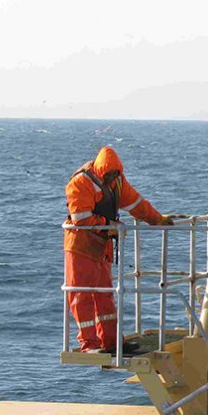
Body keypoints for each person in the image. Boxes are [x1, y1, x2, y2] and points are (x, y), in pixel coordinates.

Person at [64, 146, 172, 352]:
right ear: (101, 170)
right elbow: (81, 219)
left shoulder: (118, 183)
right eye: (110, 174)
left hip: (102, 247)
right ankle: (89, 343)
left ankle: (112, 342)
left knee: (105, 294)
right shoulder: (80, 183)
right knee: (81, 295)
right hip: (81, 247)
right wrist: (110, 225)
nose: (112, 178)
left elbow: (136, 204)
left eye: (116, 174)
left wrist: (157, 220)